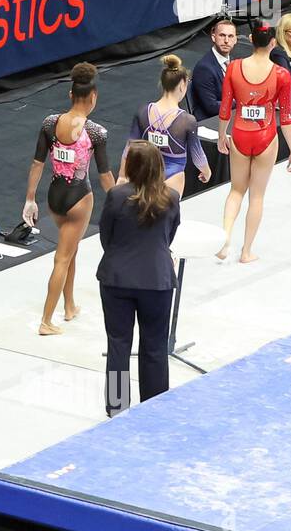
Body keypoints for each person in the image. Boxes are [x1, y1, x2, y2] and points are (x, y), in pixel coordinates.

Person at [23, 63, 115, 335]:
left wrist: (30, 199)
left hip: (54, 197)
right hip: (78, 198)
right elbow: (105, 175)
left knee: (69, 248)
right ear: (93, 97)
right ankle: (46, 321)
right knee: (62, 258)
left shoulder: (50, 123)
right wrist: (120, 199)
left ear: (70, 94)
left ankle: (70, 305)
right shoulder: (96, 132)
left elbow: (37, 164)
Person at [98, 140, 180, 417]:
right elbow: (169, 235)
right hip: (156, 281)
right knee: (155, 346)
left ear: (130, 166)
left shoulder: (117, 195)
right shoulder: (171, 197)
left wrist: (120, 255)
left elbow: (106, 236)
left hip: (117, 278)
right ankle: (155, 409)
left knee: (118, 344)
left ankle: (117, 408)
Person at [215, 22, 291, 261]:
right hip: (265, 136)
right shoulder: (281, 74)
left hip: (240, 133)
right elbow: (287, 115)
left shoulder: (233, 67)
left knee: (236, 190)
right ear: (274, 42)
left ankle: (225, 241)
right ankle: (246, 251)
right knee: (257, 196)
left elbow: (225, 107)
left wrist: (222, 134)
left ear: (251, 39)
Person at [122, 55, 211, 198]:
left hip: (143, 171)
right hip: (173, 174)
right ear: (183, 85)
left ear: (163, 83)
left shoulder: (143, 112)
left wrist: (122, 176)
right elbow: (197, 154)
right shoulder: (187, 120)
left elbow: (129, 148)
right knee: (166, 217)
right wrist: (206, 172)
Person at [189, 17, 237, 120]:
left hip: (229, 116)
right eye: (222, 35)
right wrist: (241, 101)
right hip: (210, 121)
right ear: (213, 37)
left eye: (230, 36)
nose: (226, 41)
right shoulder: (204, 68)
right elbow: (211, 107)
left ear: (235, 40)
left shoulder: (233, 62)